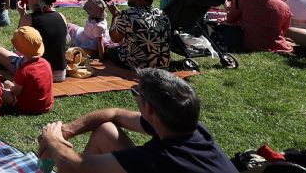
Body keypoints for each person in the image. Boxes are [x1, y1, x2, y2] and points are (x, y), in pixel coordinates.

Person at [37, 68, 238, 172]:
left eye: (136, 93)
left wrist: (52, 138)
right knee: (106, 130)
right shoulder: (189, 128)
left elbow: (73, 165)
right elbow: (114, 114)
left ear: (149, 109)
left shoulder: (153, 160)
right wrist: (68, 130)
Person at [221, 0, 292, 53]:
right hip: (276, 45)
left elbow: (230, 19)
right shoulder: (284, 6)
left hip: (249, 44)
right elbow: (284, 29)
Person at [0, 27, 54, 114]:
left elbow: (15, 93)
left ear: (19, 50)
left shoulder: (24, 70)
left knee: (0, 90)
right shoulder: (46, 63)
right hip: (46, 106)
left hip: (29, 108)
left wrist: (9, 86)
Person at [107, 0, 171, 71]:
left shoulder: (128, 15)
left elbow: (115, 38)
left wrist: (114, 15)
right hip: (161, 63)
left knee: (110, 49)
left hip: (141, 66)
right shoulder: (163, 14)